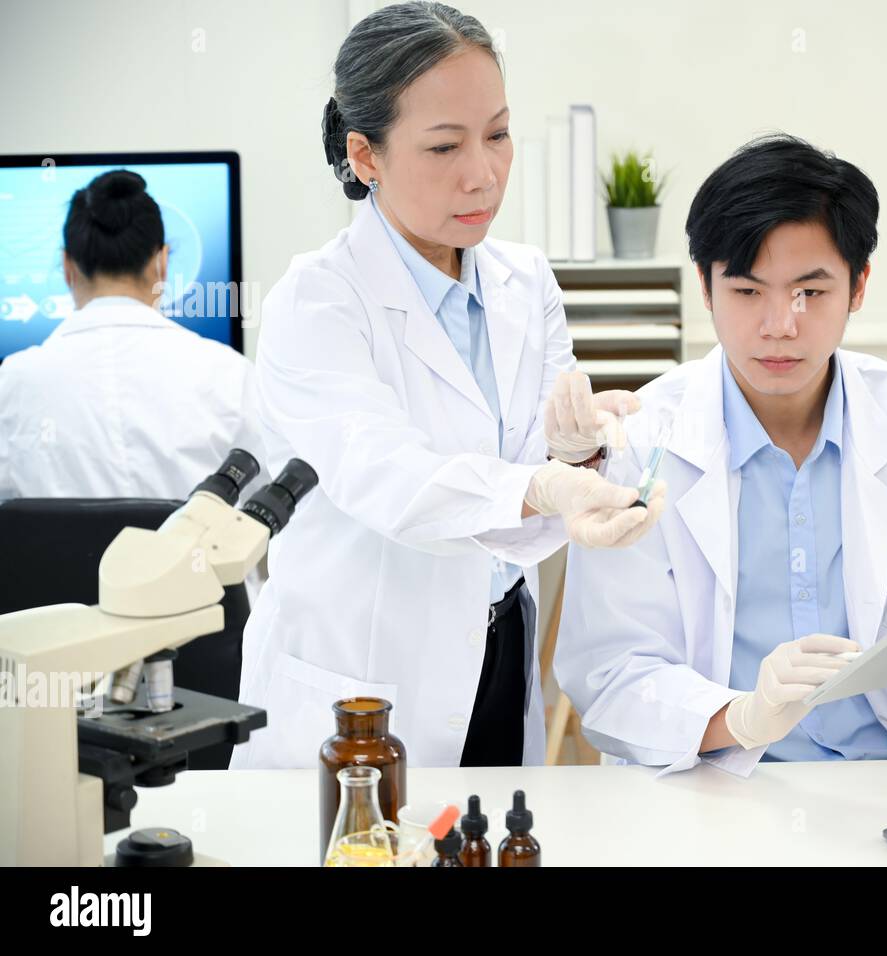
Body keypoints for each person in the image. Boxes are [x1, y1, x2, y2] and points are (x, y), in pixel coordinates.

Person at [230, 2, 665, 770]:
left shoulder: (523, 279)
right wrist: (542, 485)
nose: (484, 173)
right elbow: (386, 476)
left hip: (500, 650)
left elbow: (540, 463)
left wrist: (578, 447)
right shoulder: (317, 300)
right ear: (365, 156)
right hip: (364, 682)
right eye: (443, 146)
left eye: (497, 134)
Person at [555, 135, 887, 776]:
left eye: (811, 291)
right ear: (706, 287)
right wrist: (741, 718)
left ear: (858, 286)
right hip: (708, 784)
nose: (780, 324)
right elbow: (611, 673)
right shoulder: (643, 442)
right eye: (749, 291)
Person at [0, 169, 263, 504]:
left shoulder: (13, 383)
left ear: (67, 267)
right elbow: (267, 511)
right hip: (193, 559)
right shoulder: (230, 375)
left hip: (56, 559)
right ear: (162, 262)